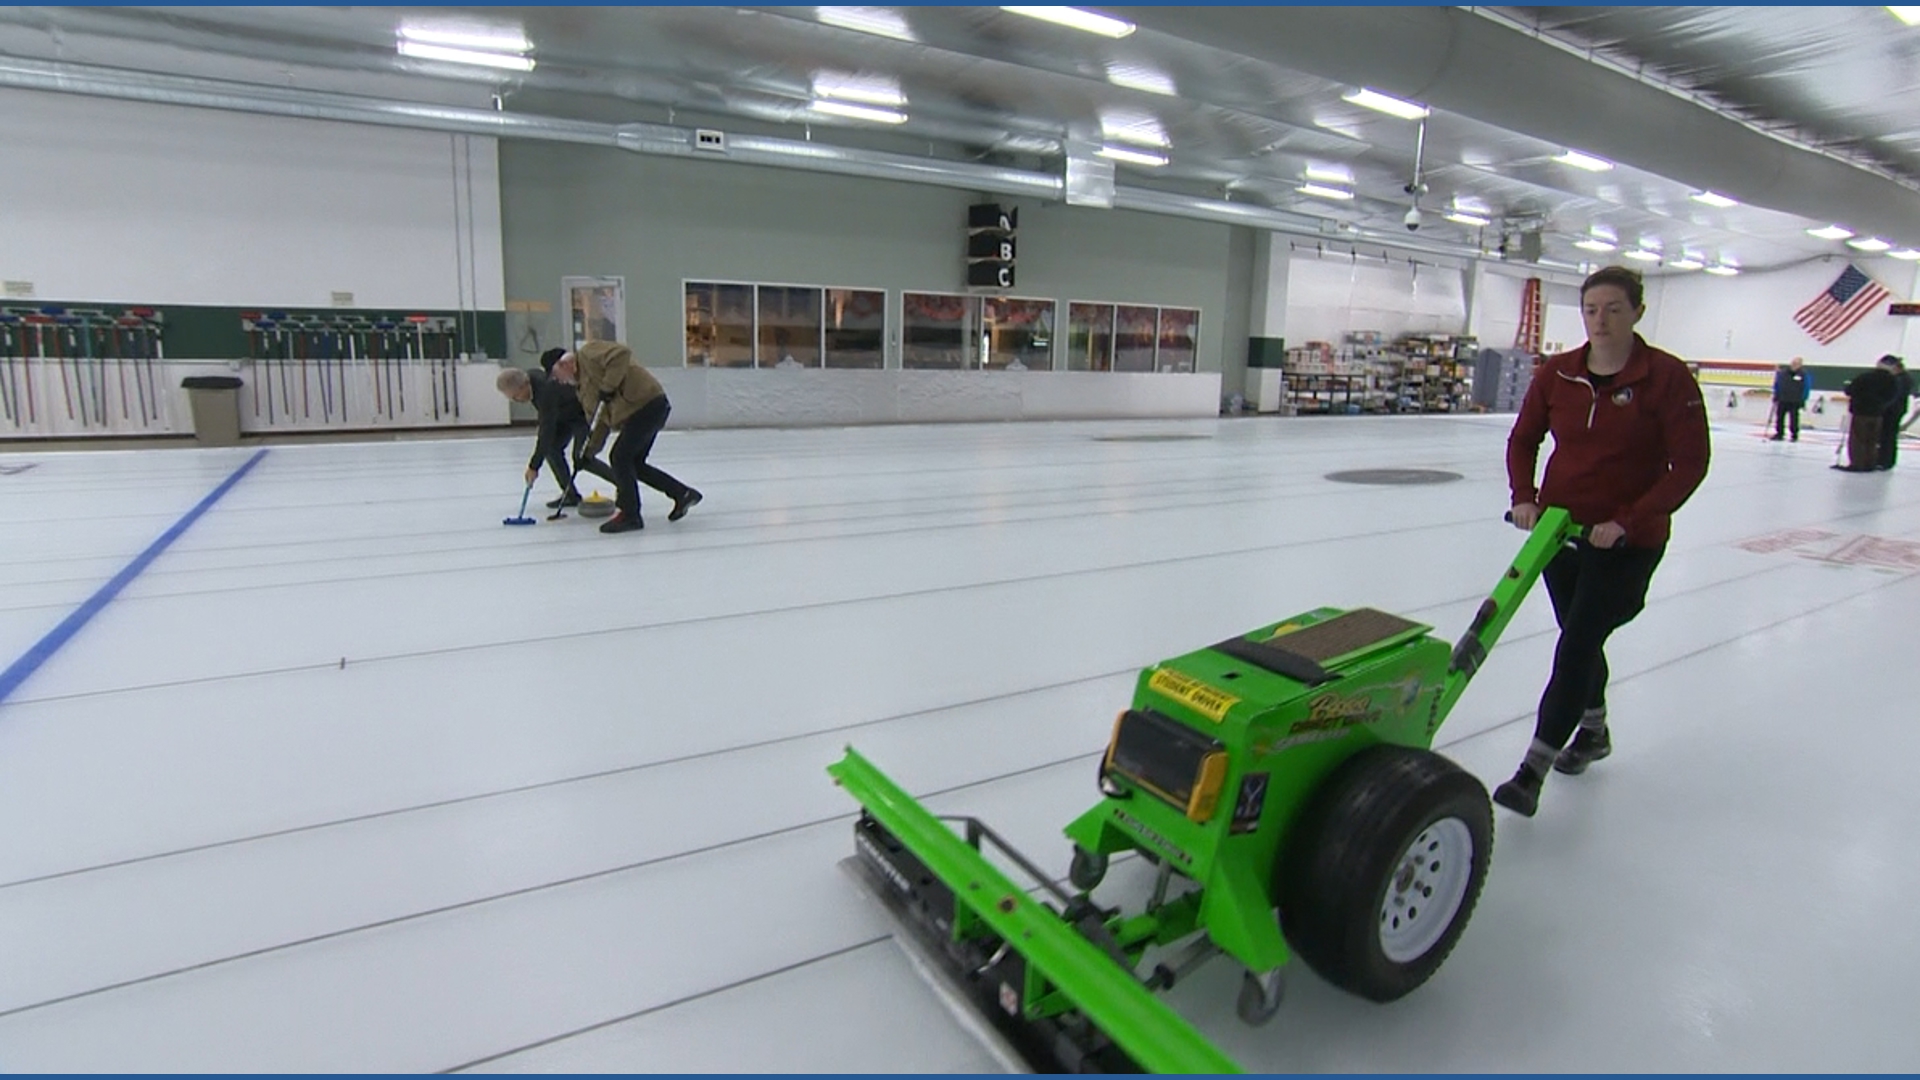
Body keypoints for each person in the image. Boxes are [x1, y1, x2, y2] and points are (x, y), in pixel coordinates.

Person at [1497, 265, 1711, 818]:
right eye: (1592, 309)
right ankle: (1593, 732)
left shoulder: (1667, 378)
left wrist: (1632, 520)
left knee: (1577, 641)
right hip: (1561, 532)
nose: (1601, 320)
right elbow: (1524, 439)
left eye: (1614, 308)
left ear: (1637, 311)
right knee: (1580, 636)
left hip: (1626, 542)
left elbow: (1689, 464)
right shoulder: (1558, 374)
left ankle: (1532, 769)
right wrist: (1526, 495)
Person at [551, 343, 702, 535]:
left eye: (557, 377)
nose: (560, 382)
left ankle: (630, 515)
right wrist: (588, 452)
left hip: (648, 404)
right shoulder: (582, 391)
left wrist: (609, 386)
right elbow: (600, 423)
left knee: (620, 457)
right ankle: (682, 493)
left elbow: (621, 354)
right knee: (634, 464)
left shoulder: (588, 353)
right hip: (637, 414)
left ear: (565, 365)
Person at [494, 355, 613, 508]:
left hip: (583, 415)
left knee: (582, 458)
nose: (518, 401)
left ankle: (623, 485)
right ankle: (570, 495)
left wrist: (533, 466)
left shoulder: (545, 392)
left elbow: (546, 431)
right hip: (564, 416)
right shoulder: (530, 379)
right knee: (552, 449)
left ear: (523, 385)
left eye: (516, 397)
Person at [1835, 356, 1898, 473]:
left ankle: (1857, 464)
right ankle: (1870, 463)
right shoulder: (1892, 380)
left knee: (1858, 439)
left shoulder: (1865, 377)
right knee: (1872, 440)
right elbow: (1892, 396)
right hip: (1878, 413)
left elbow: (1850, 390)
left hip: (1861, 412)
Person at [1877, 355, 1912, 470]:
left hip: (1894, 410)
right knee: (1888, 436)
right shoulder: (1903, 378)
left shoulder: (1901, 379)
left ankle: (1885, 460)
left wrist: (1884, 406)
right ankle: (1885, 459)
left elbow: (1896, 396)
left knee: (1888, 436)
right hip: (1896, 409)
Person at [1770, 356, 1811, 441]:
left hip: (1795, 401)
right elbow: (1777, 384)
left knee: (1794, 418)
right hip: (1782, 399)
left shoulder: (1803, 375)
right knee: (1780, 417)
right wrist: (1776, 395)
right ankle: (1779, 433)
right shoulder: (1783, 373)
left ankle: (1794, 435)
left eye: (1797, 364)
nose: (1794, 365)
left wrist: (1803, 399)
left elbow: (1806, 387)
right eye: (1793, 363)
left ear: (1800, 365)